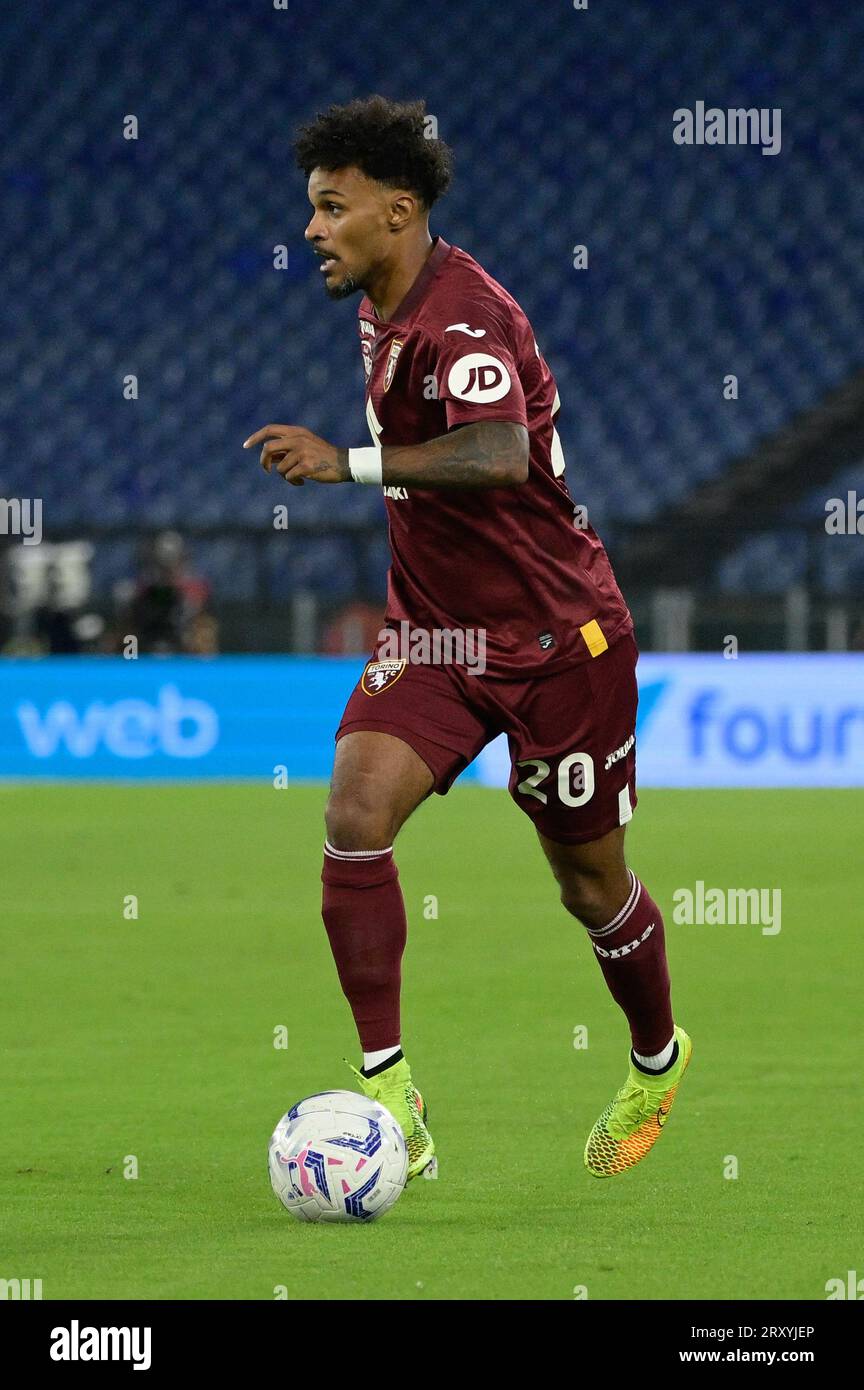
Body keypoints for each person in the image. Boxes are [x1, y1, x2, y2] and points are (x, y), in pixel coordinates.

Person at [244, 96, 692, 1182]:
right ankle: (392, 1090)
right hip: (439, 636)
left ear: (399, 211)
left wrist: (344, 462)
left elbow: (496, 454)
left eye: (332, 208)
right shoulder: (382, 293)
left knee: (589, 887)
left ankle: (657, 1058)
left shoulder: (462, 317)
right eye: (312, 206)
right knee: (354, 811)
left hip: (560, 645)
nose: (312, 228)